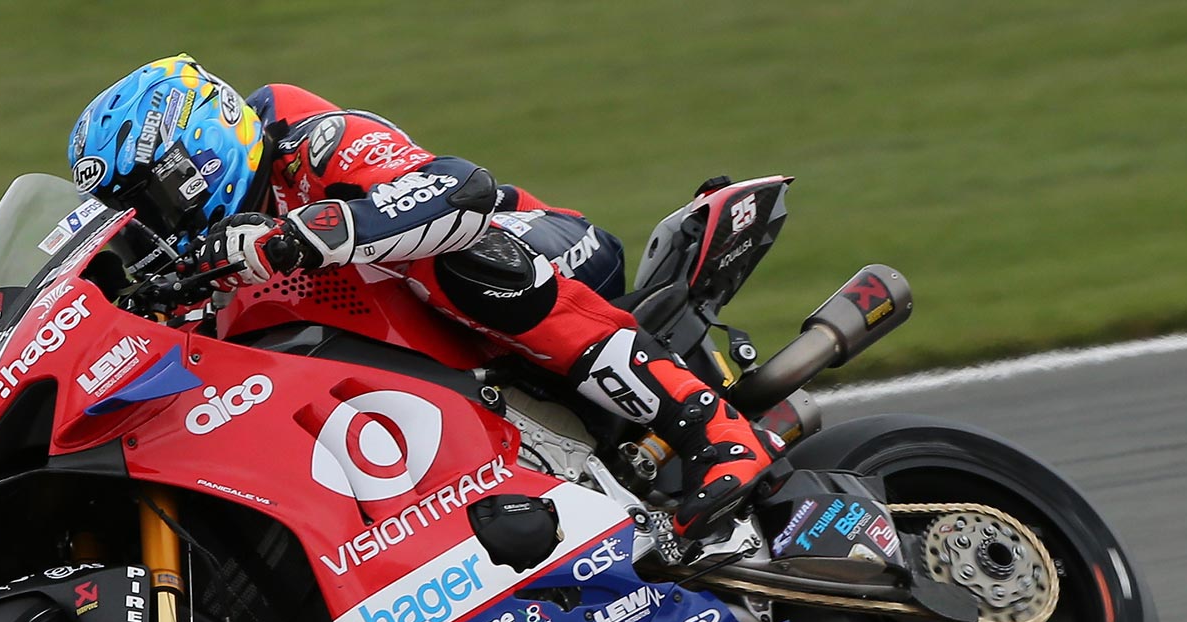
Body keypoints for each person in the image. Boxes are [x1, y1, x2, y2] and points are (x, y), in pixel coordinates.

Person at [68, 55, 773, 537]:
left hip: (535, 246)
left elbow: (456, 190)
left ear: (201, 154)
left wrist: (300, 234)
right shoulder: (203, 269)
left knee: (450, 257)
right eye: (134, 218)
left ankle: (713, 430)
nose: (154, 228)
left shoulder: (313, 142)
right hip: (423, 391)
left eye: (153, 201)